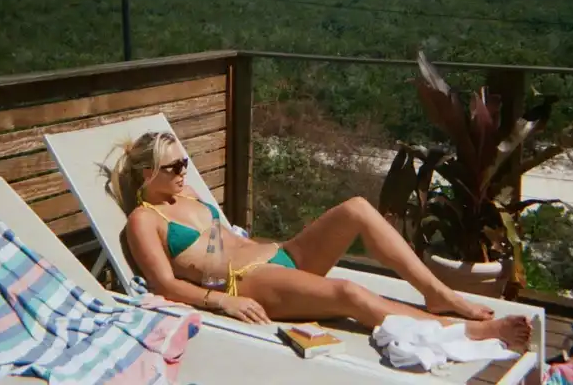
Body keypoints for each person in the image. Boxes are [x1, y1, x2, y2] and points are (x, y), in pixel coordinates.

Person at [110, 131, 532, 349]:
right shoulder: (144, 222)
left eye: (184, 161)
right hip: (250, 283)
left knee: (357, 209)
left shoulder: (187, 193)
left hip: (280, 258)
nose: (183, 171)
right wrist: (223, 301)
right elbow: (165, 284)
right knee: (348, 293)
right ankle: (466, 331)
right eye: (173, 167)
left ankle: (438, 294)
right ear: (147, 174)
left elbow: (220, 241)